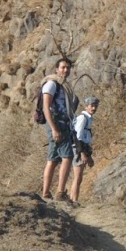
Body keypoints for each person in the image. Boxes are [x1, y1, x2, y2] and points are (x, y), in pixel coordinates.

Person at [39, 58, 77, 201]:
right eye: (62, 67)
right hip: (57, 123)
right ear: (57, 69)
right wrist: (54, 129)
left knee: (53, 159)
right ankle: (61, 192)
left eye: (68, 68)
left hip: (62, 123)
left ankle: (46, 193)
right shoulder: (51, 84)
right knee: (67, 157)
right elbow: (46, 107)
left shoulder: (62, 85)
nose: (65, 70)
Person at [67, 95, 100, 205]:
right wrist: (82, 153)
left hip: (82, 149)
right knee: (78, 176)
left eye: (95, 106)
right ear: (86, 106)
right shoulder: (83, 118)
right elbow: (78, 136)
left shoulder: (89, 119)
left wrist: (88, 155)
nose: (94, 108)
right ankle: (73, 200)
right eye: (91, 106)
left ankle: (73, 199)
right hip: (77, 149)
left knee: (78, 176)